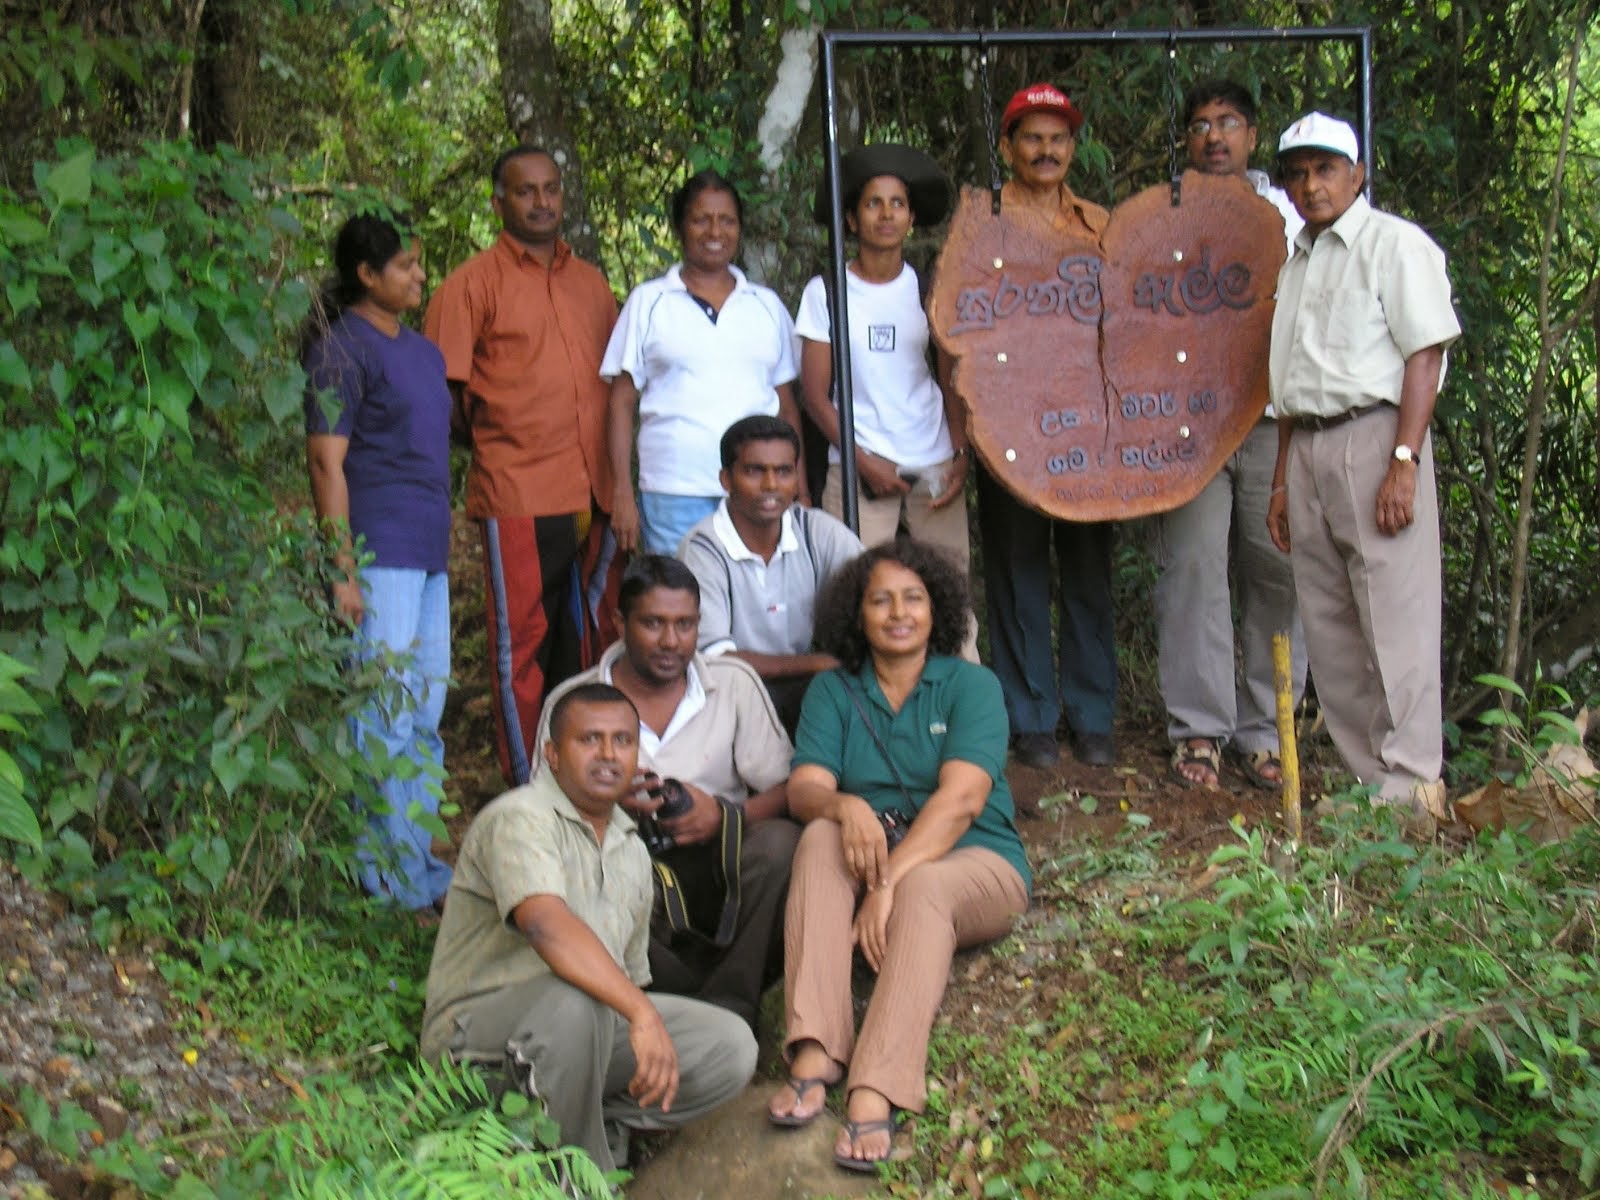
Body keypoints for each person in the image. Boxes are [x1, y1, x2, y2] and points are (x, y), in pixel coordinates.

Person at [764, 541, 1030, 1172]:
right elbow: (805, 788)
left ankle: (877, 1083)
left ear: (936, 610)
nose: (898, 613)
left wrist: (888, 883)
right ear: (857, 615)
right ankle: (815, 1046)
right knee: (821, 836)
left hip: (975, 862)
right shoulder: (834, 691)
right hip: (873, 851)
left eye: (913, 598)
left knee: (923, 889)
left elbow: (962, 800)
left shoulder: (971, 685)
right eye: (880, 600)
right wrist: (844, 808)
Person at [420, 684, 757, 1175]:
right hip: (475, 1043)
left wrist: (640, 1015)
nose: (608, 754)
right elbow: (545, 927)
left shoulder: (631, 848)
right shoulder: (519, 818)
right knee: (580, 1003)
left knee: (729, 1044)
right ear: (553, 755)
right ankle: (573, 1175)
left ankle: (583, 1118)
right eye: (589, 740)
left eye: (622, 740)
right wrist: (640, 1013)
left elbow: (630, 975)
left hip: (578, 1033)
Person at [1265, 112, 1461, 829]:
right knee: (1330, 618)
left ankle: (1413, 784)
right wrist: (1283, 478)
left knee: (1395, 612)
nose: (1311, 185)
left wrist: (1404, 461)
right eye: (1298, 172)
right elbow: (1286, 376)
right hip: (1309, 445)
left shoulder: (1394, 245)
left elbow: (1424, 355)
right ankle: (1368, 781)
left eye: (1326, 170)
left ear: (1358, 174)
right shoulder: (1298, 258)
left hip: (1375, 436)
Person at [423, 145, 621, 788]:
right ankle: (528, 787)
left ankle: (584, 779)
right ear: (498, 202)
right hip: (521, 490)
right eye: (525, 191)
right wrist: (496, 441)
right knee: (521, 648)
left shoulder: (589, 282)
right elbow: (441, 394)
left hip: (597, 490)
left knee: (589, 638)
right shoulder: (471, 283)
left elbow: (619, 385)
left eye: (551, 189)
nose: (541, 202)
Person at [532, 555, 800, 1029]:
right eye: (653, 623)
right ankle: (671, 1011)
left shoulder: (732, 684)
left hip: (720, 863)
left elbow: (788, 788)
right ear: (619, 622)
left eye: (685, 624)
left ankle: (731, 1009)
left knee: (782, 844)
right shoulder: (575, 702)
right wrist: (610, 805)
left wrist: (721, 814)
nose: (671, 641)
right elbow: (538, 819)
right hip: (624, 874)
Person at [1155, 79, 1307, 791]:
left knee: (1276, 571)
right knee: (1191, 571)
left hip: (1274, 421)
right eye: (1200, 123)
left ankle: (1266, 732)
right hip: (1191, 431)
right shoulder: (1164, 215)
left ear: (1252, 136)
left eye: (1229, 123)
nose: (1213, 136)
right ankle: (1199, 731)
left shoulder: (1290, 212)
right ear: (1186, 140)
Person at [303, 211, 453, 912]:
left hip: (427, 552)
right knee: (382, 713)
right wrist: (342, 568)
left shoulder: (422, 353)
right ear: (367, 276)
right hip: (378, 550)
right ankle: (382, 877)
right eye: (404, 266)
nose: (418, 276)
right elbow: (324, 462)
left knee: (425, 707)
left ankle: (416, 863)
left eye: (419, 264)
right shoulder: (341, 347)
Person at [976, 83, 1118, 769]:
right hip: (1007, 429)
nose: (1046, 149)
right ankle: (1031, 716)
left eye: (1058, 138)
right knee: (1017, 570)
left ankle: (1093, 715)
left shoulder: (1100, 225)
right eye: (1031, 137)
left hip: (1087, 431)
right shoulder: (983, 225)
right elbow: (960, 323)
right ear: (1008, 147)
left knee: (1090, 571)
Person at [794, 144, 976, 657]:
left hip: (931, 455)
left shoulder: (930, 288)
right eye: (873, 203)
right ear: (852, 218)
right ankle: (864, 717)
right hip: (854, 462)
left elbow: (950, 377)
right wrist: (862, 460)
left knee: (949, 595)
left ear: (912, 217)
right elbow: (814, 394)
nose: (886, 214)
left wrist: (959, 453)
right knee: (856, 596)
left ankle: (960, 714)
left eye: (897, 203)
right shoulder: (826, 291)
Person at [604, 169, 807, 556]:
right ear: (681, 228)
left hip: (757, 490)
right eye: (701, 219)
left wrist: (797, 486)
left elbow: (786, 406)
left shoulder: (766, 306)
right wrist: (622, 492)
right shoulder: (649, 302)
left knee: (755, 601)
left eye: (727, 220)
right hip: (673, 491)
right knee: (681, 603)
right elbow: (621, 402)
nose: (715, 231)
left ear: (740, 229)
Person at [677, 416, 863, 732]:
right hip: (728, 694)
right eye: (754, 471)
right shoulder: (703, 548)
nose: (771, 485)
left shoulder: (815, 529)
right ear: (726, 479)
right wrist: (818, 664)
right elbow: (719, 660)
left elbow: (876, 588)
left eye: (783, 471)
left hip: (804, 687)